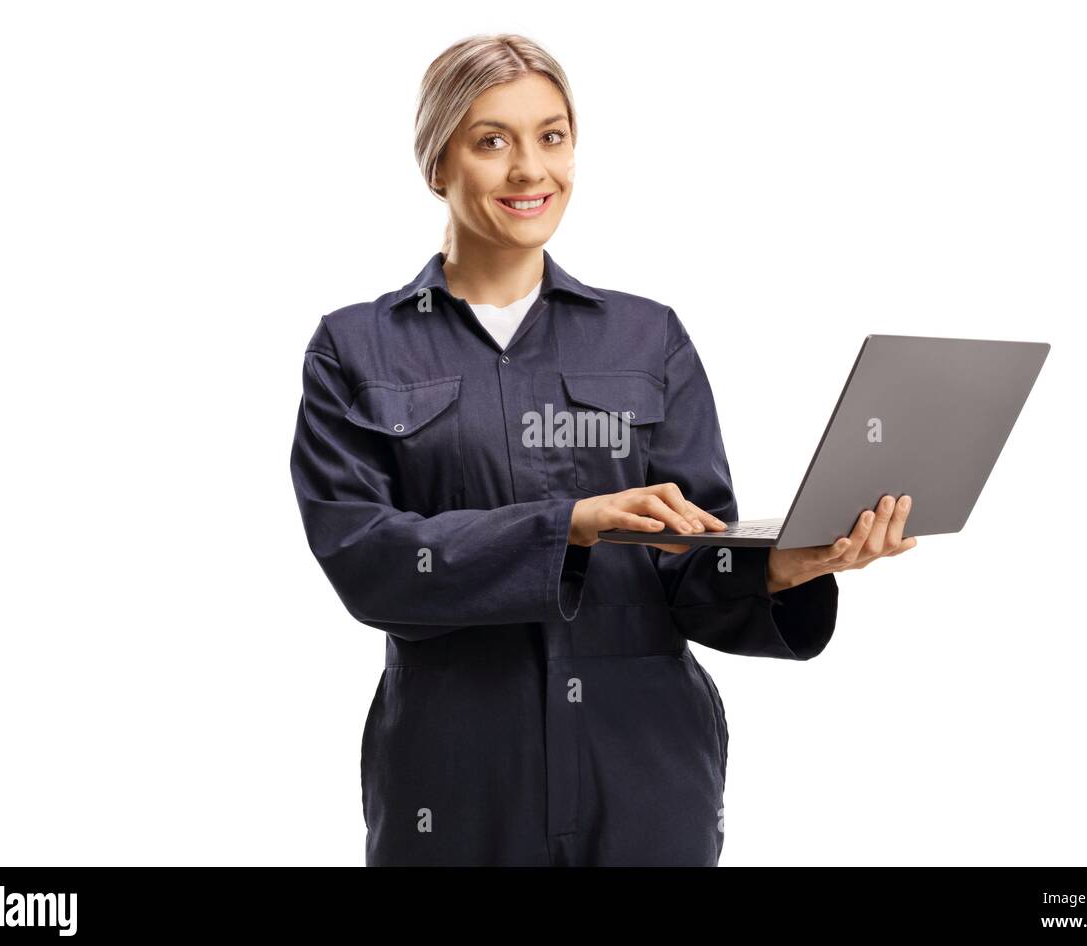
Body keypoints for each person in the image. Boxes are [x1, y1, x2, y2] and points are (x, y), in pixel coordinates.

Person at [289, 33, 916, 866]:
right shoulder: (355, 347)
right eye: (492, 141)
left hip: (646, 775)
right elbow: (367, 560)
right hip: (457, 783)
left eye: (551, 136)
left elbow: (691, 572)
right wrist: (567, 526)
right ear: (437, 164)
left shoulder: (647, 337)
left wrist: (777, 569)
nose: (529, 170)